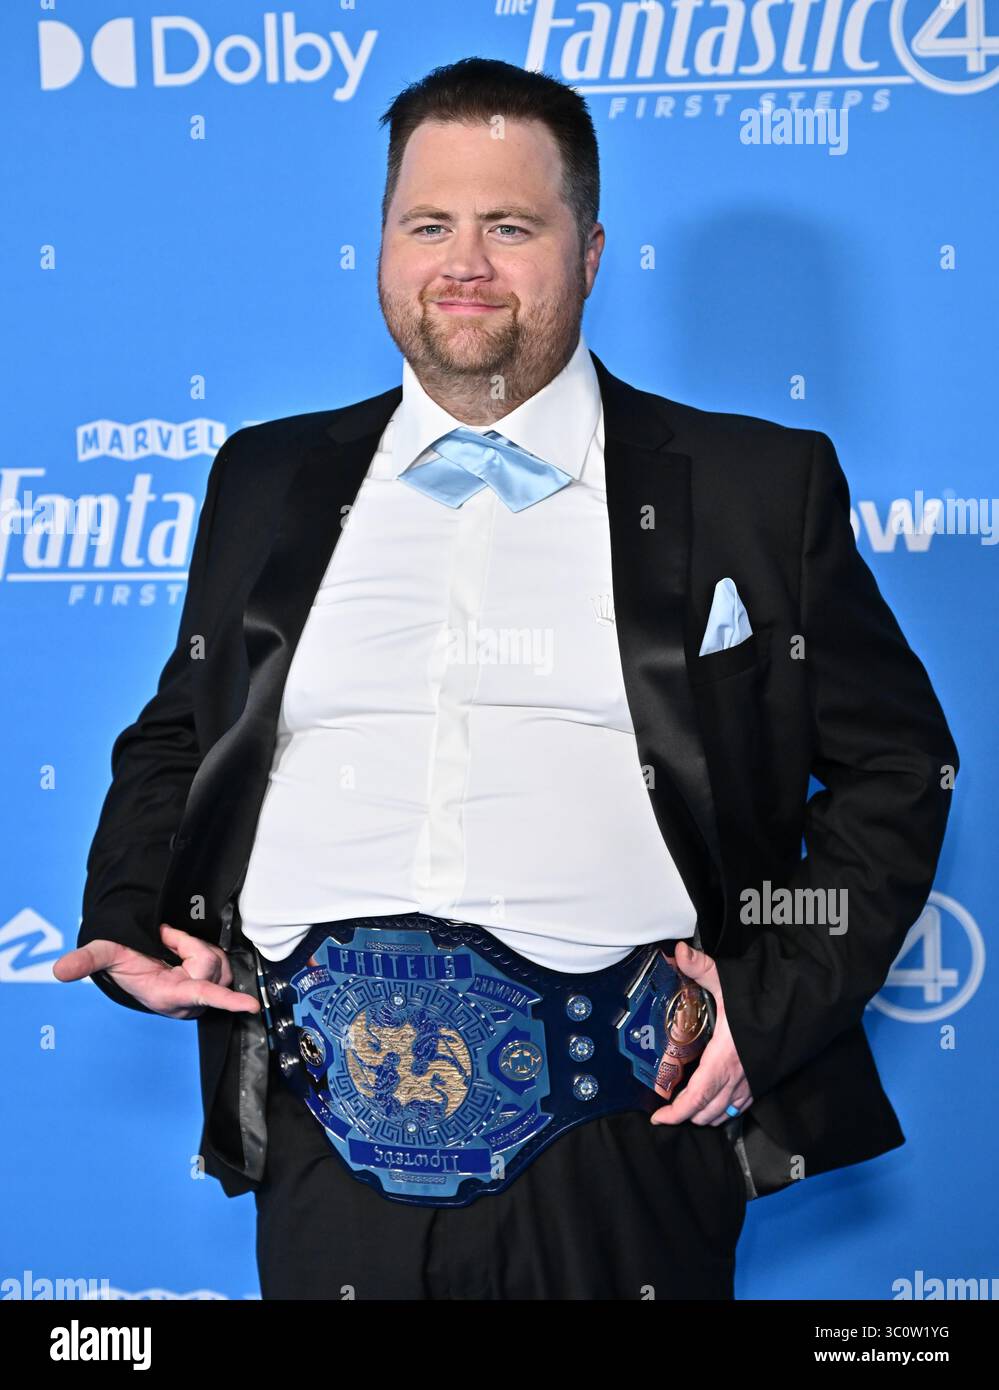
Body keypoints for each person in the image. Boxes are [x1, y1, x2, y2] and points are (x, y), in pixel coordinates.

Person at [55, 57, 959, 1301]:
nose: (464, 262)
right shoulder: (266, 478)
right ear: (382, 245)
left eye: (510, 226)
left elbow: (899, 767)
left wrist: (775, 994)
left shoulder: (757, 485)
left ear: (589, 252)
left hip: (624, 1145)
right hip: (323, 1137)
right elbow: (179, 735)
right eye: (429, 223)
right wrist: (132, 916)